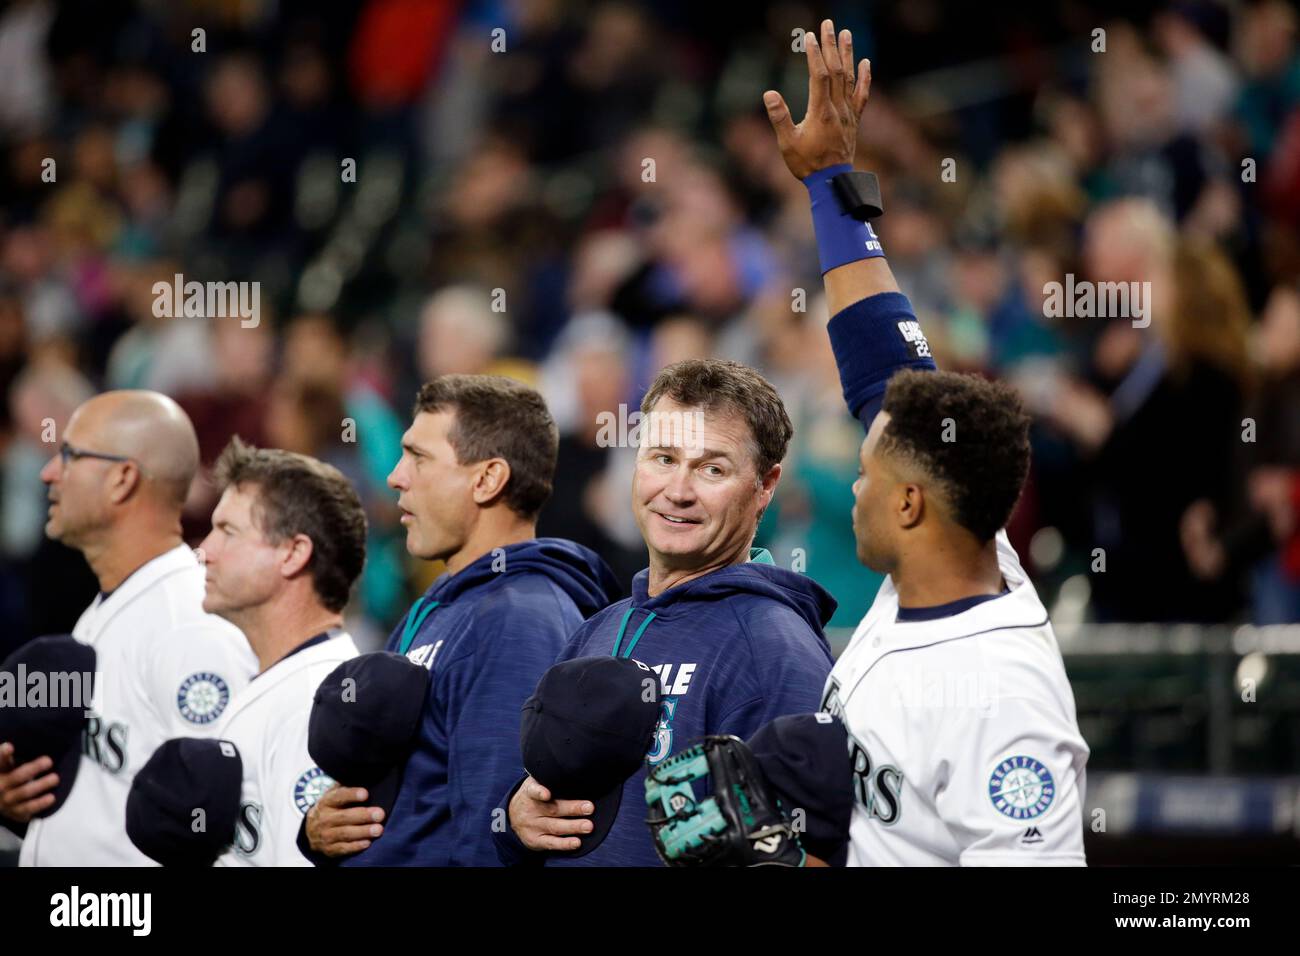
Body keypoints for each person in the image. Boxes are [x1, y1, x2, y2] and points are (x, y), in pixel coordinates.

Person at [763, 19, 1088, 864]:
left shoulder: (1004, 692)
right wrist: (832, 181)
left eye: (865, 473)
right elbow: (883, 358)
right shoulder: (943, 568)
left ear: (910, 502)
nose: (855, 486)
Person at [498, 358, 837, 866]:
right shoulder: (598, 631)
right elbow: (530, 815)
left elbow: (812, 851)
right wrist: (516, 819)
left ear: (765, 485)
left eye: (712, 469)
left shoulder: (775, 650)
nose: (677, 491)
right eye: (663, 458)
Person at [302, 374, 618, 866]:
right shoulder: (442, 606)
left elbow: (494, 834)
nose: (395, 476)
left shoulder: (519, 618)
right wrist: (324, 833)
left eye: (419, 458)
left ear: (487, 478)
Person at [0, 390, 256, 865]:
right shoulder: (111, 603)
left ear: (122, 479)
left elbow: (229, 835)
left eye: (70, 456)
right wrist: (20, 802)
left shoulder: (190, 625)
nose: (48, 472)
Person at [195, 437, 366, 866]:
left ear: (293, 553)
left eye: (228, 532)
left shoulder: (315, 702)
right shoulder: (288, 679)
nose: (204, 552)